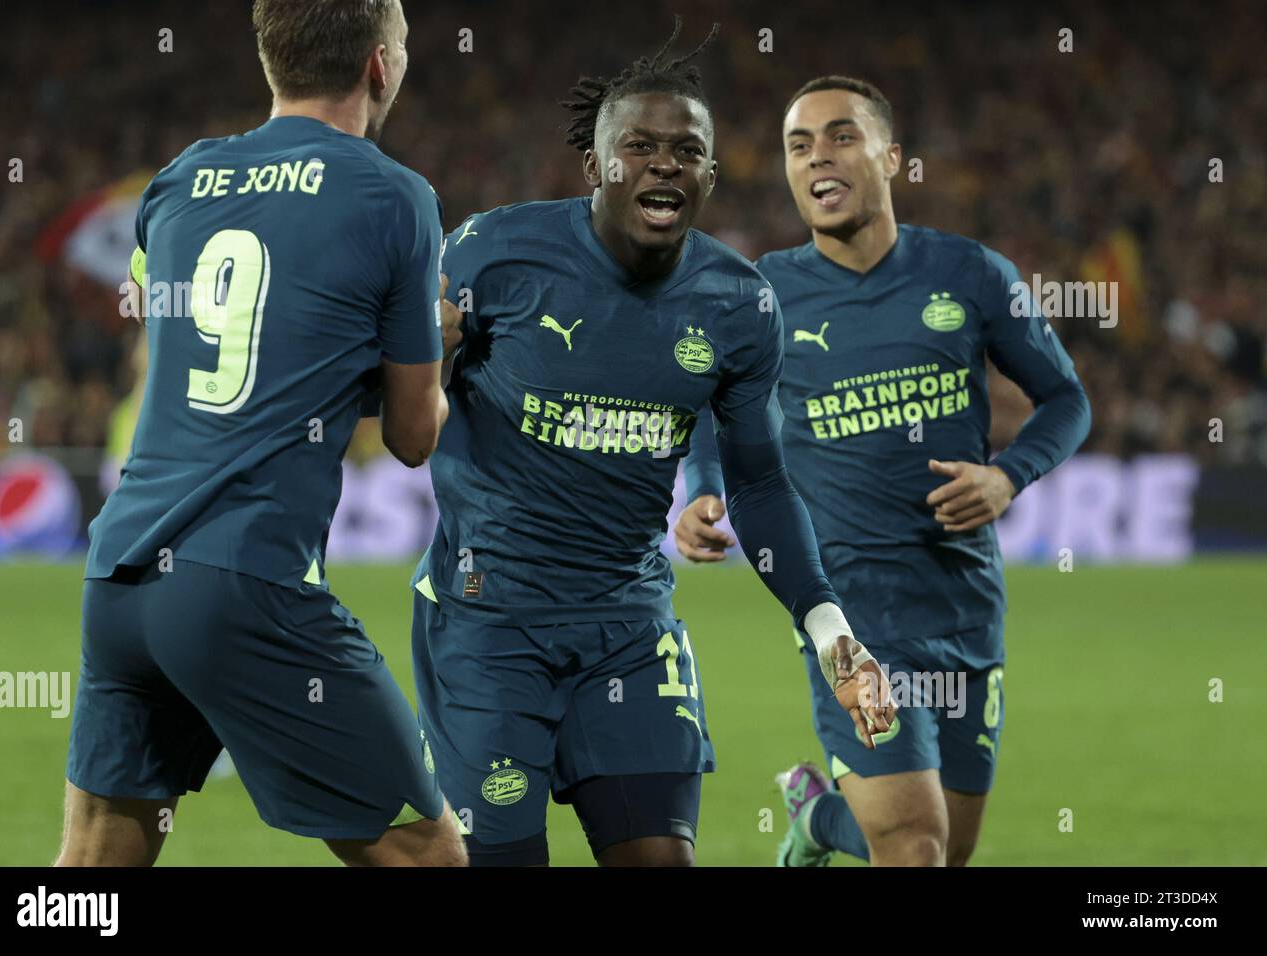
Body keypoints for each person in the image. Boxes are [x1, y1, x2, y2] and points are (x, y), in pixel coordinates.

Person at [411, 23, 894, 867]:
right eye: (639, 145)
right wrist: (418, 355)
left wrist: (831, 633)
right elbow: (398, 418)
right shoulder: (493, 255)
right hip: (489, 626)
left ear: (709, 173)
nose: (665, 162)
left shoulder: (739, 304)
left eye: (687, 150)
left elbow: (762, 487)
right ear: (596, 165)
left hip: (629, 626)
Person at [59, 0, 464, 867]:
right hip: (242, 578)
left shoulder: (180, 179)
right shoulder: (396, 196)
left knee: (91, 869)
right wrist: (438, 346)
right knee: (428, 856)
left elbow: (163, 317)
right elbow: (412, 437)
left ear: (270, 62)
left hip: (121, 570)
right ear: (380, 68)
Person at [675, 75, 1091, 867]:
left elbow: (1066, 399)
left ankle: (816, 820)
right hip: (848, 614)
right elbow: (707, 405)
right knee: (913, 851)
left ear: (891, 157)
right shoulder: (758, 295)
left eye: (839, 136)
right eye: (798, 146)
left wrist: (1009, 477)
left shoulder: (970, 275)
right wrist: (701, 490)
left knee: (947, 851)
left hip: (964, 609)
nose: (816, 158)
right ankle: (838, 819)